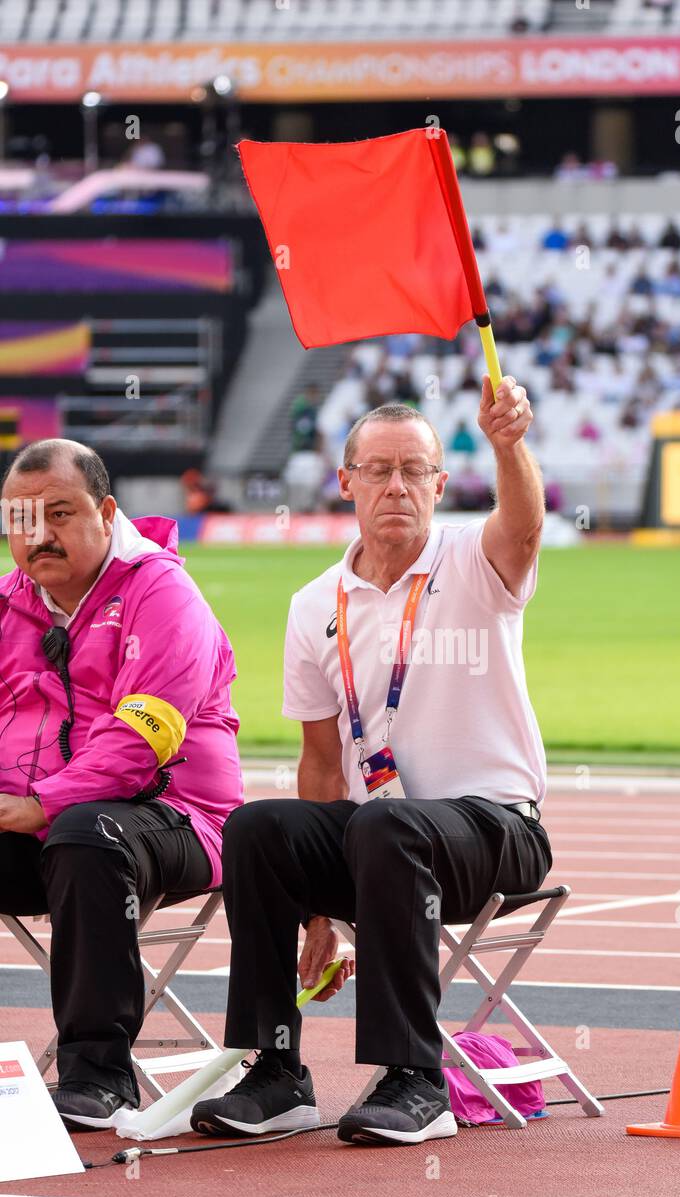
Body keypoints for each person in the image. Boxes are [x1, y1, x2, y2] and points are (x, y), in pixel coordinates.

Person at [191, 376, 552, 1147]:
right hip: (373, 841)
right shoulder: (314, 603)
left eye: (414, 470)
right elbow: (320, 766)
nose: (396, 486)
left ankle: (414, 1078)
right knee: (257, 828)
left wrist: (509, 443)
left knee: (387, 828)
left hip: (495, 832)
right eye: (378, 470)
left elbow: (522, 531)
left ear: (439, 483)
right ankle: (277, 1071)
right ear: (345, 480)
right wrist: (318, 915)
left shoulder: (472, 562)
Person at [0, 440, 243, 1130]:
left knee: (86, 831)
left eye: (59, 513)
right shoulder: (7, 605)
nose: (38, 534)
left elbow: (143, 740)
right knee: (77, 833)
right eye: (19, 518)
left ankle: (98, 1078)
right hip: (45, 829)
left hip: (176, 819)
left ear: (107, 513)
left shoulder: (163, 593)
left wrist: (39, 804)